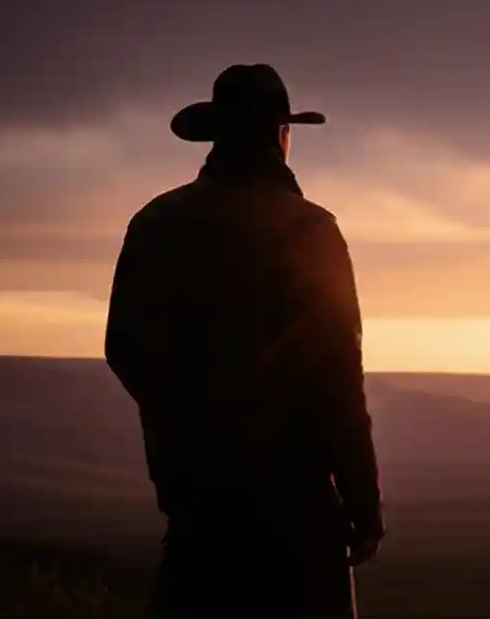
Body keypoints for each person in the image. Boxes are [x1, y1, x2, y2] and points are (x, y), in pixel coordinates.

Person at [105, 64, 384, 618]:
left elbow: (124, 348)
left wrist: (182, 431)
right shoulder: (309, 231)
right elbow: (337, 378)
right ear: (281, 134)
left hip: (197, 505)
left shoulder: (155, 223)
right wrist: (361, 501)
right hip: (297, 512)